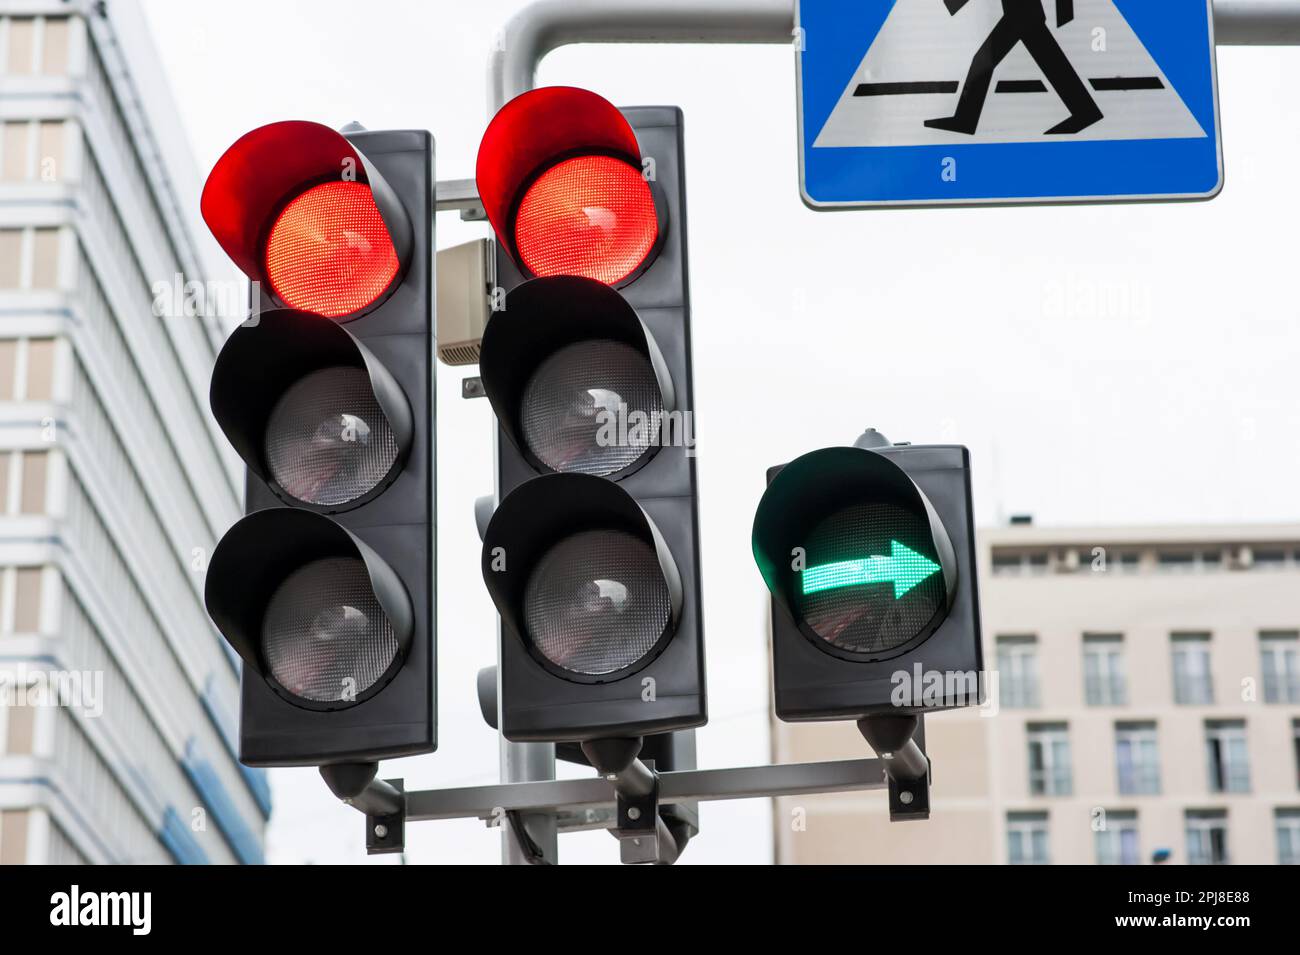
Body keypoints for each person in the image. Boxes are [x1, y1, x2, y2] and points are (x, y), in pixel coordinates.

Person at [925, 0, 1103, 135]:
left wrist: (1065, 12)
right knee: (1052, 62)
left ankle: (965, 120)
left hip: (1022, 13)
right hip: (1022, 13)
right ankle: (1086, 111)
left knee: (982, 62)